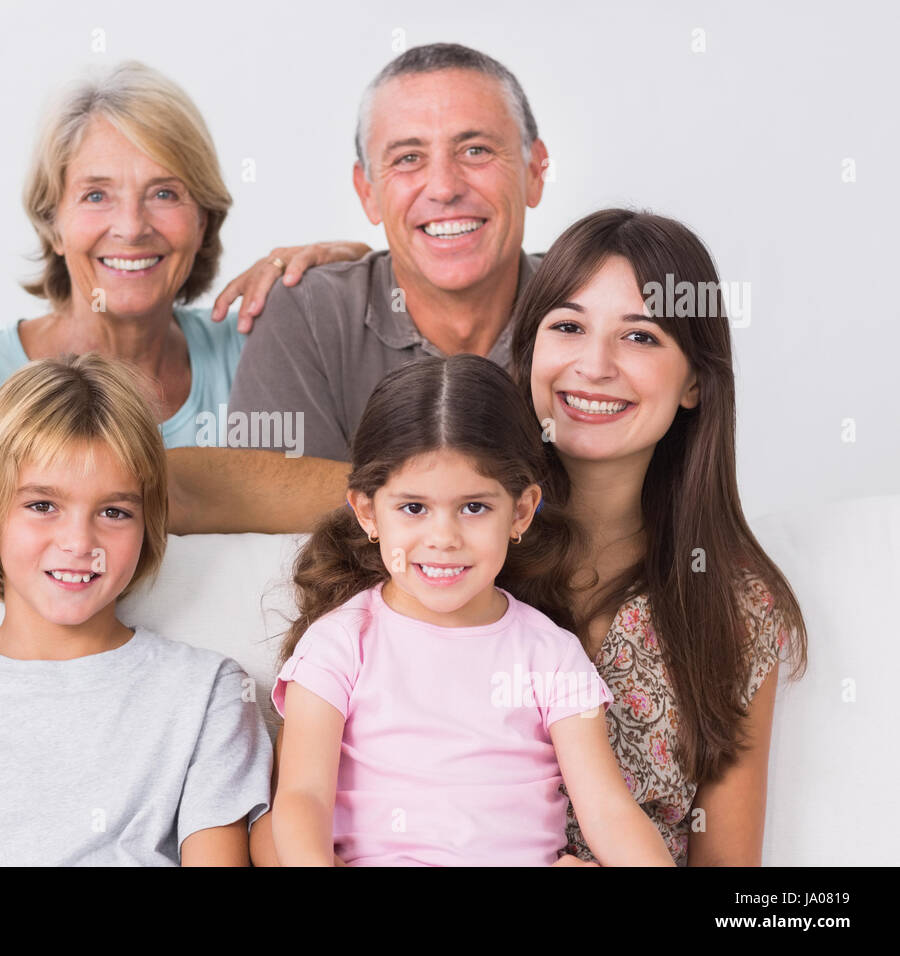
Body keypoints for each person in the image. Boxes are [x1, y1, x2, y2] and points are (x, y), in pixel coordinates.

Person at [0, 356, 271, 866]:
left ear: (146, 527)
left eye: (114, 512)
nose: (79, 542)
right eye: (43, 505)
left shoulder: (207, 692)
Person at [269, 354, 674, 866]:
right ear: (369, 512)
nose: (444, 539)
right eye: (413, 508)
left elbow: (609, 812)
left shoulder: (550, 654)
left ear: (521, 511)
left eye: (474, 507)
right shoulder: (338, 645)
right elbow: (302, 797)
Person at [496, 208, 808, 864]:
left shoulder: (737, 612)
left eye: (640, 338)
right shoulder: (450, 547)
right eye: (568, 327)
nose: (595, 365)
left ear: (695, 380)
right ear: (529, 353)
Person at [0, 60, 368, 447]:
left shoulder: (264, 357)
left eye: (165, 193)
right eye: (96, 195)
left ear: (203, 220)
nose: (131, 228)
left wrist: (357, 278)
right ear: (53, 224)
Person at [167, 42, 549, 528]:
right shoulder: (305, 314)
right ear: (367, 191)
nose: (444, 186)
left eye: (476, 150)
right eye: (408, 158)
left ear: (535, 172)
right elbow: (280, 537)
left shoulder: (594, 304)